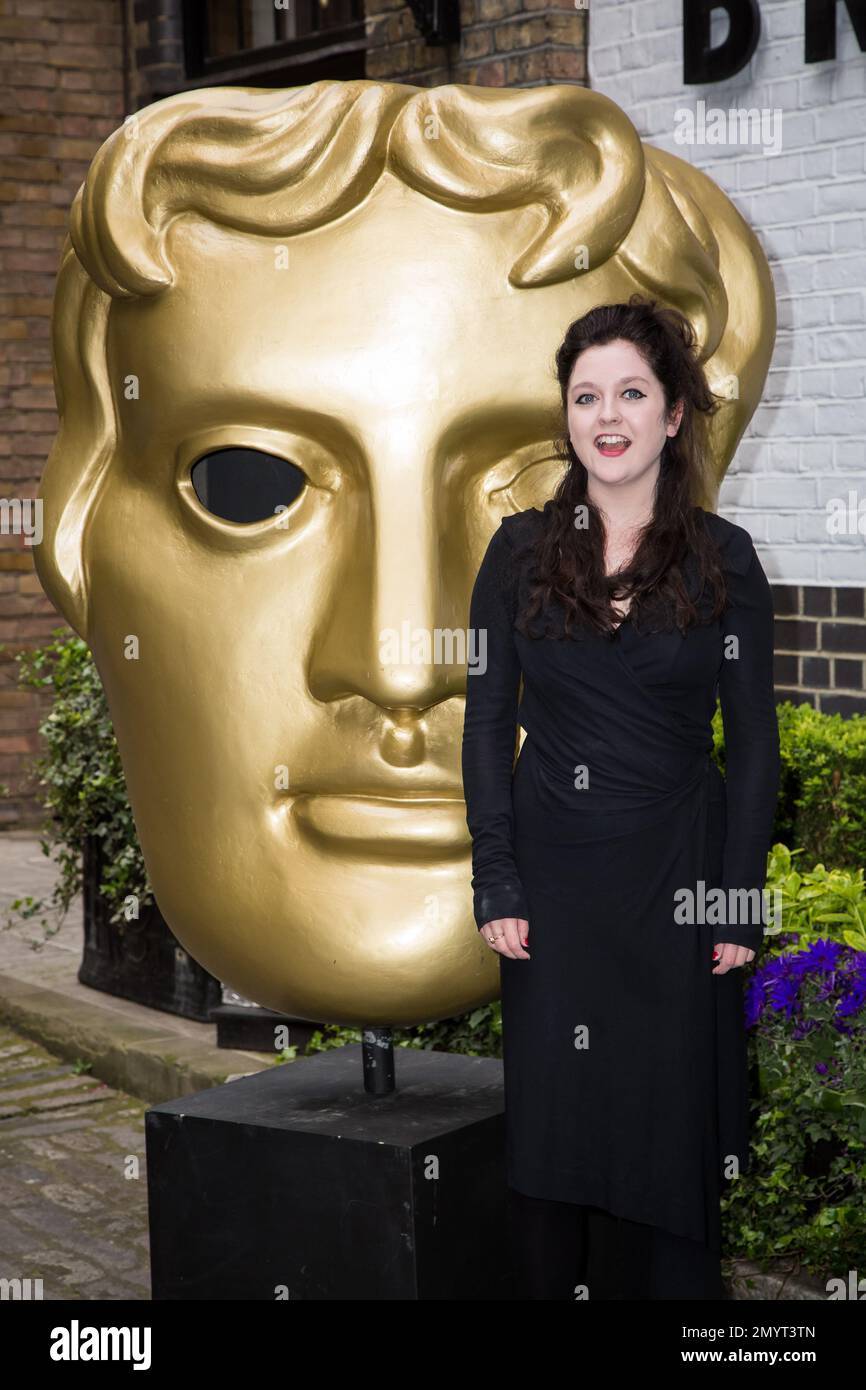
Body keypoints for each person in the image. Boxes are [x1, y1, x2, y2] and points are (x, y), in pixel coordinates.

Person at [460, 296, 781, 1300]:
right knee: (555, 1141)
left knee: (665, 1137)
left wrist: (734, 898)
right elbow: (482, 723)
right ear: (564, 413)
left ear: (673, 413)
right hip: (554, 897)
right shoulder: (514, 553)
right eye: (585, 394)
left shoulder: (723, 557)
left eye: (630, 393)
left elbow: (755, 743)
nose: (606, 416)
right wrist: (496, 879)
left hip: (677, 891)